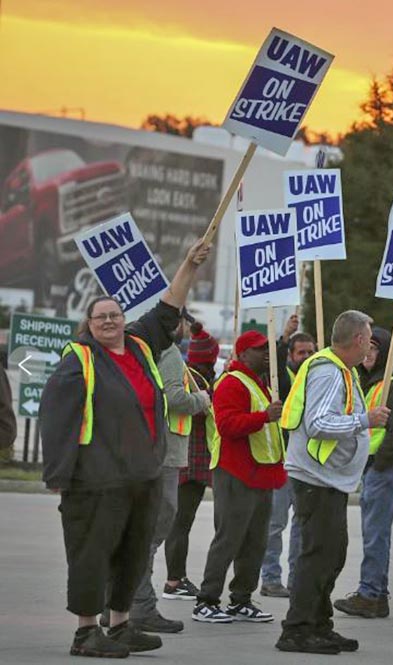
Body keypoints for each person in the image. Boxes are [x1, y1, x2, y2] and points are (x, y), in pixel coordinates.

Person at [40, 239, 211, 658]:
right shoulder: (79, 361)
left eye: (115, 315)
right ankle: (85, 634)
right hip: (96, 480)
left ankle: (120, 627)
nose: (110, 321)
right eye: (101, 317)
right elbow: (56, 420)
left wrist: (189, 264)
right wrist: (59, 476)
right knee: (92, 556)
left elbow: (168, 308)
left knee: (132, 555)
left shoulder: (138, 344)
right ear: (89, 323)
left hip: (142, 477)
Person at [275, 310, 389, 655]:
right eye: (368, 338)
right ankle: (297, 629)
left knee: (331, 555)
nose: (370, 345)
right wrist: (364, 420)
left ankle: (319, 625)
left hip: (329, 479)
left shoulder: (341, 369)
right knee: (318, 556)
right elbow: (319, 423)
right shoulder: (328, 371)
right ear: (358, 340)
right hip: (316, 478)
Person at [192, 330, 285, 624]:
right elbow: (228, 424)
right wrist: (264, 417)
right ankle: (206, 601)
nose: (267, 354)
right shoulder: (232, 382)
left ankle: (241, 599)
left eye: (267, 349)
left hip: (261, 473)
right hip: (235, 472)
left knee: (256, 542)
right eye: (260, 349)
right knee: (229, 539)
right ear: (243, 354)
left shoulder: (260, 383)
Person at [127, 311, 211, 632]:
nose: (190, 330)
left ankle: (118, 604)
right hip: (166, 453)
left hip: (149, 448)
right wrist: (201, 399)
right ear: (177, 324)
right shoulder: (171, 354)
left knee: (144, 531)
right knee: (153, 531)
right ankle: (140, 606)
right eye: (188, 323)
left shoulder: (146, 351)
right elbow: (174, 398)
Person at [334, 326, 393, 619]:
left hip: (386, 469)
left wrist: (378, 465)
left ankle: (370, 594)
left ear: (384, 352)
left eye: (373, 348)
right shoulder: (372, 383)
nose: (368, 353)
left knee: (375, 535)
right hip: (377, 468)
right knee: (376, 534)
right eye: (365, 347)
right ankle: (376, 594)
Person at [162, 322, 219, 600]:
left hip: (192, 459)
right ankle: (175, 580)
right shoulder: (194, 378)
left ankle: (176, 577)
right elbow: (187, 405)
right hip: (187, 459)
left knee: (181, 522)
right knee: (179, 523)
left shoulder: (200, 376)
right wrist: (205, 398)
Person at [261, 324, 317, 598]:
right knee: (275, 523)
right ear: (292, 355)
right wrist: (283, 338)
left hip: (308, 462)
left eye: (311, 351)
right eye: (301, 352)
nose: (306, 356)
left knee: (302, 526)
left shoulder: (319, 377)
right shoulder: (284, 377)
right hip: (284, 460)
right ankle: (271, 578)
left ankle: (297, 578)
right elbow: (277, 369)